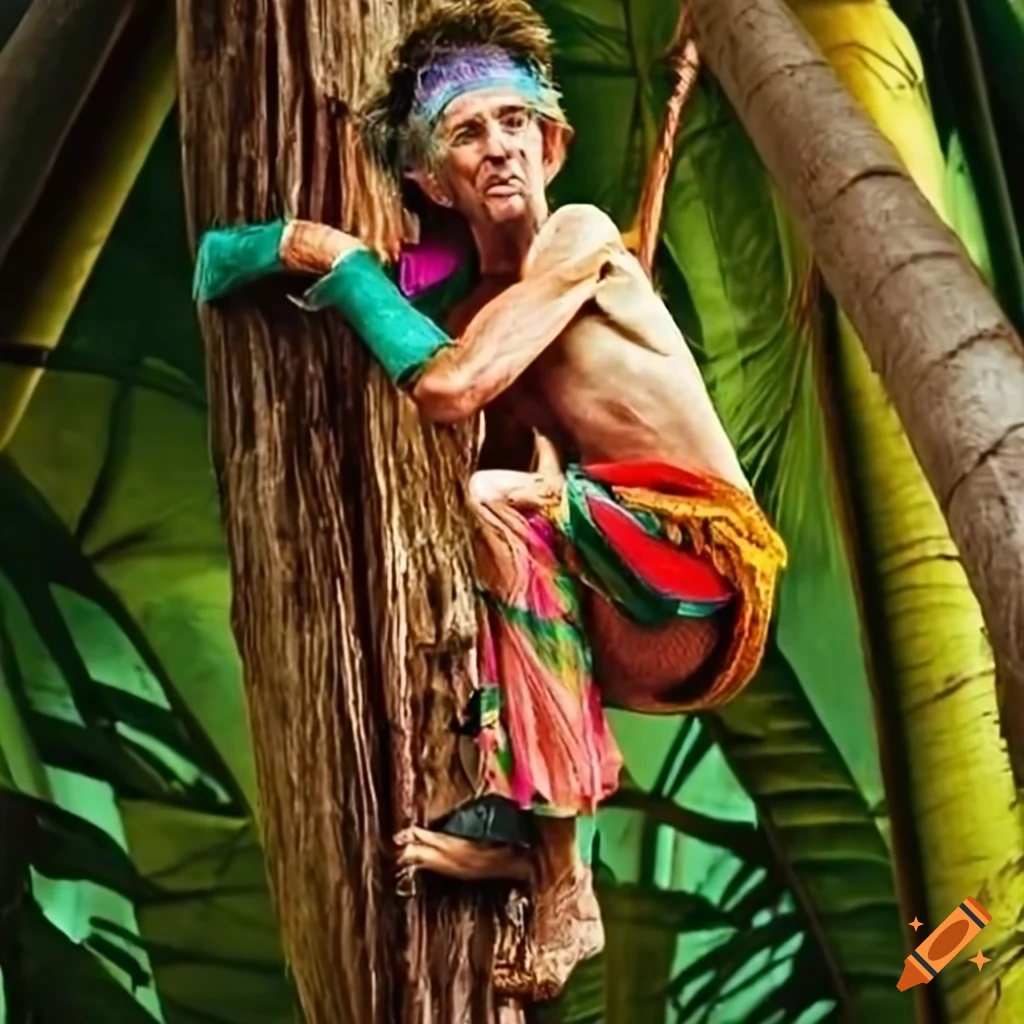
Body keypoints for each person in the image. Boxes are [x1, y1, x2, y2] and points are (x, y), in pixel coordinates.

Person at [192, 0, 786, 1001]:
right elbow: (497, 488)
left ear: (553, 144)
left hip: (699, 571)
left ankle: (564, 880)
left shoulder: (583, 239)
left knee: (497, 505)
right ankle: (522, 823)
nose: (499, 148)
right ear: (430, 178)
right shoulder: (476, 312)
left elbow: (448, 387)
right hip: (621, 594)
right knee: (468, 513)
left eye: (516, 124)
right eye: (468, 133)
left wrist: (324, 257)